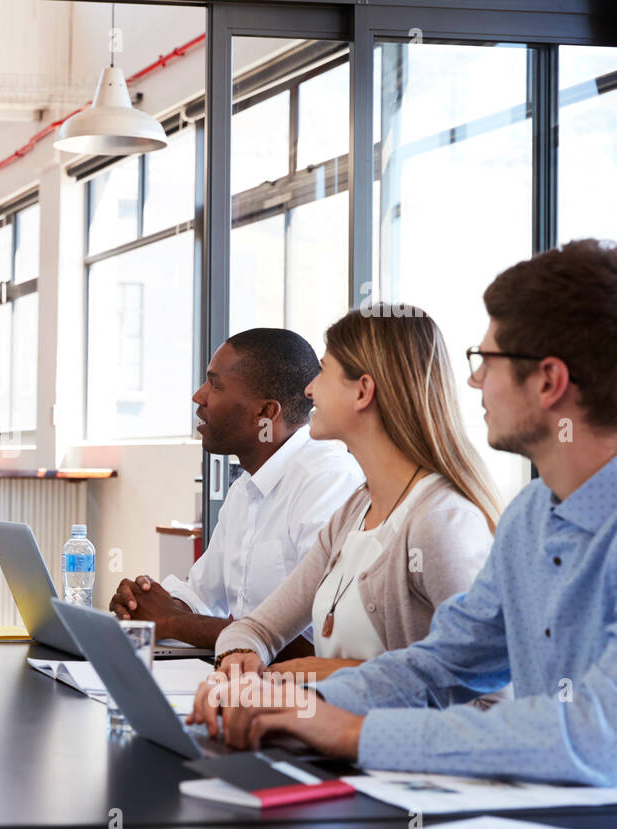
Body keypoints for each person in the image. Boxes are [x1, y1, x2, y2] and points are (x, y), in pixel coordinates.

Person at [190, 240, 617, 787]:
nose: (472, 380)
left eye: (487, 360)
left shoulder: (446, 518)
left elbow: (595, 733)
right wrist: (294, 702)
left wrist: (351, 733)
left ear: (549, 381)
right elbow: (440, 664)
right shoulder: (530, 517)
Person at [188, 307, 499, 703]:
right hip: (333, 744)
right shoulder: (354, 513)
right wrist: (241, 655)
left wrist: (341, 674)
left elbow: (489, 697)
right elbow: (255, 628)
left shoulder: (441, 522)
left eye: (323, 372)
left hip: (394, 759)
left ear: (362, 391)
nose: (309, 389)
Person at [110, 329, 363, 649]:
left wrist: (173, 621)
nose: (199, 397)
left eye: (215, 385)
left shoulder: (327, 481)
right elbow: (202, 597)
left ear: (266, 413)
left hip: (298, 692)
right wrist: (143, 605)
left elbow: (317, 645)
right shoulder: (246, 488)